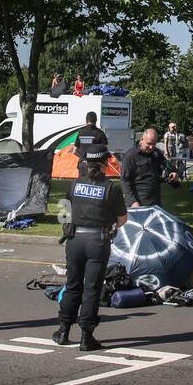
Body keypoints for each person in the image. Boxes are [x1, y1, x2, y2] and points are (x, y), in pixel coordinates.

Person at [55, 150, 128, 351]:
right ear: (105, 164)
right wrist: (110, 225)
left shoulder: (75, 184)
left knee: (72, 285)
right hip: (98, 240)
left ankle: (63, 331)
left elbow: (62, 209)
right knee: (92, 289)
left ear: (86, 164)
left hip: (74, 239)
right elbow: (123, 219)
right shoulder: (110, 188)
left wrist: (69, 224)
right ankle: (86, 337)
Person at [121, 127, 169, 207]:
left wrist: (173, 172)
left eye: (154, 144)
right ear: (142, 140)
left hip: (155, 202)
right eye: (149, 144)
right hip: (139, 202)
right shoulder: (130, 156)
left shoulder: (156, 153)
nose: (151, 147)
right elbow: (125, 180)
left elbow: (166, 164)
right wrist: (132, 201)